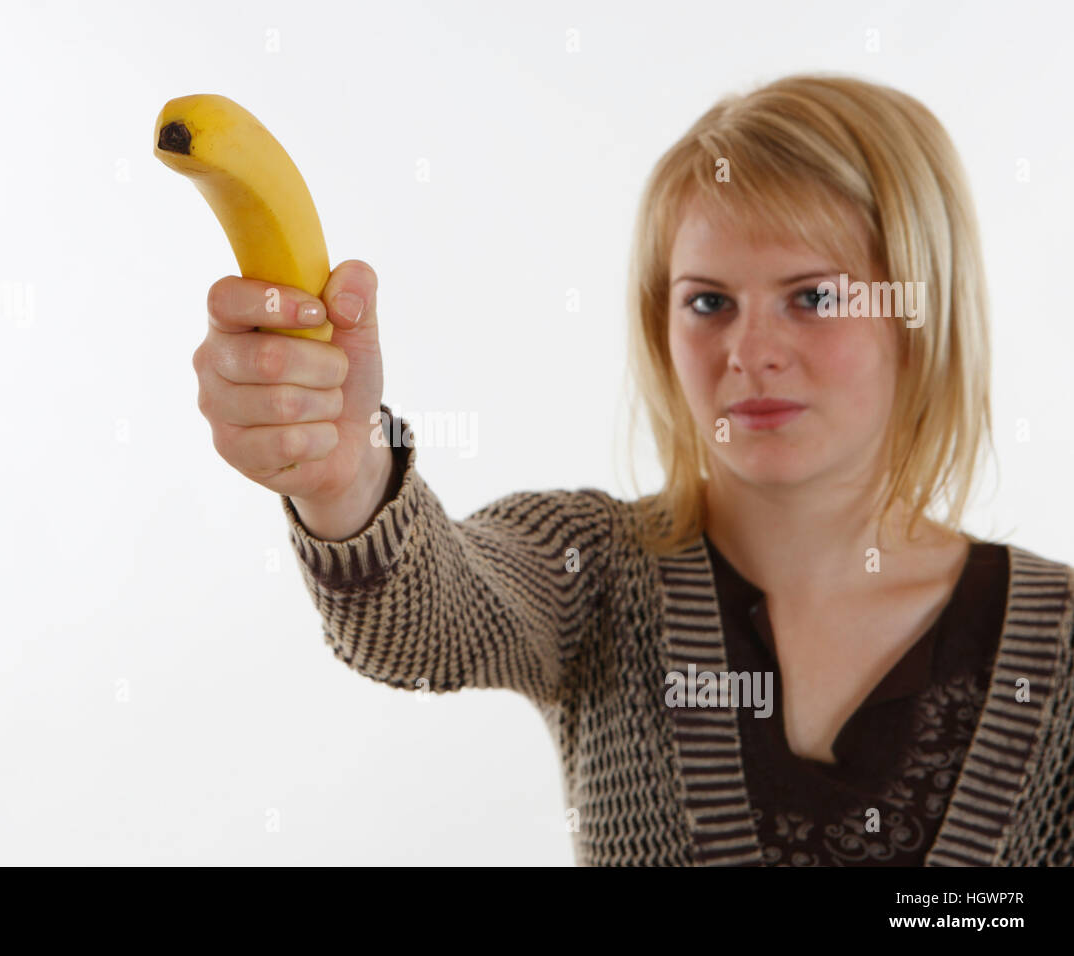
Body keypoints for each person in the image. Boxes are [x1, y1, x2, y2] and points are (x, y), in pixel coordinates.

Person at [190, 72, 1074, 866]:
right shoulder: (593, 568)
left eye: (814, 296)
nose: (750, 351)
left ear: (920, 310)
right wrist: (347, 481)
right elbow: (427, 619)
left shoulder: (1059, 644)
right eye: (708, 302)